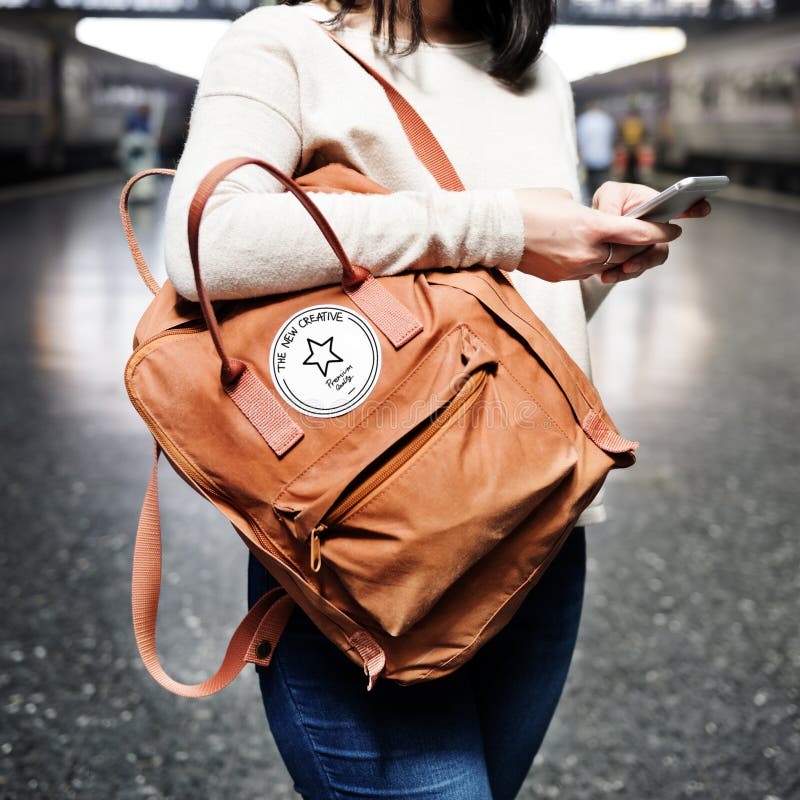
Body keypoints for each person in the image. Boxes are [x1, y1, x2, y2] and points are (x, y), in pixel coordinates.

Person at [163, 1, 711, 797]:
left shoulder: (536, 75)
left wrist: (590, 259)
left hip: (543, 527)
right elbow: (206, 242)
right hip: (368, 550)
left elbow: (501, 323)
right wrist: (505, 224)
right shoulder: (284, 43)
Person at [576, 100, 617, 202]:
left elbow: (579, 141)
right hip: (605, 159)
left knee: (590, 186)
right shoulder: (606, 119)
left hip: (588, 159)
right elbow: (612, 139)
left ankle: (592, 203)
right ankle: (604, 202)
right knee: (604, 185)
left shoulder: (583, 120)